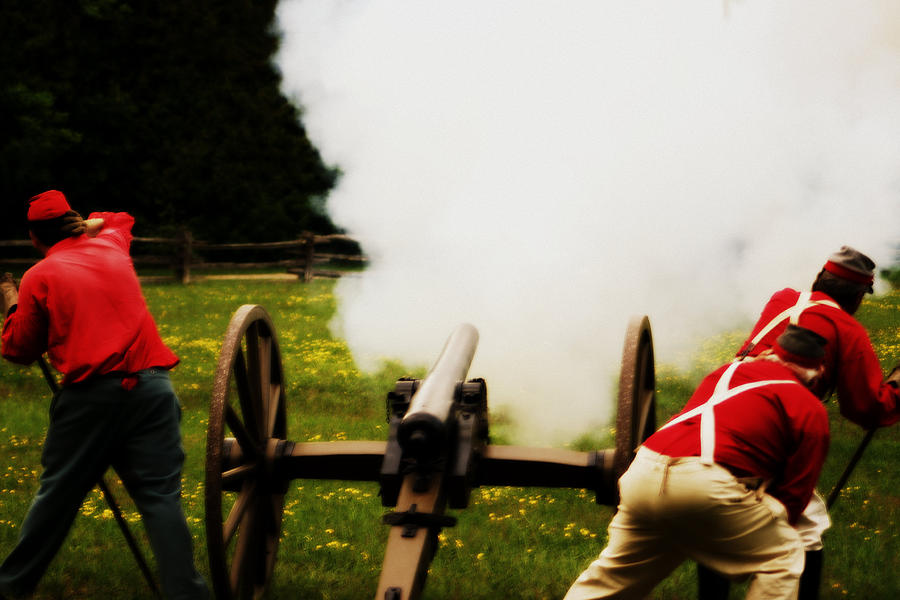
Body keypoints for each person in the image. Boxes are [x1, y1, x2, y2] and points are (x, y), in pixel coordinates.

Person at [0, 190, 209, 599]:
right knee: (160, 498)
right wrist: (86, 226)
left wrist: (11, 306)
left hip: (91, 398)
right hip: (153, 389)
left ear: (33, 237)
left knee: (57, 498)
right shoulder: (112, 246)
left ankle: (10, 588)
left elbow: (19, 349)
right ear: (73, 222)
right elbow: (120, 218)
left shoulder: (39, 275)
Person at [564, 325, 831, 600]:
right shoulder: (810, 408)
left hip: (643, 472)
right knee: (783, 554)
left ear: (774, 354)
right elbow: (793, 498)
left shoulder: (726, 372)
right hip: (703, 485)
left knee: (611, 580)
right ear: (816, 373)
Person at [697, 246, 900, 600]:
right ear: (857, 296)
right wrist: (896, 387)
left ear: (820, 278)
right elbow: (868, 407)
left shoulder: (782, 299)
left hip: (715, 409)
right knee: (806, 529)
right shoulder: (847, 328)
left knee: (720, 524)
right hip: (772, 426)